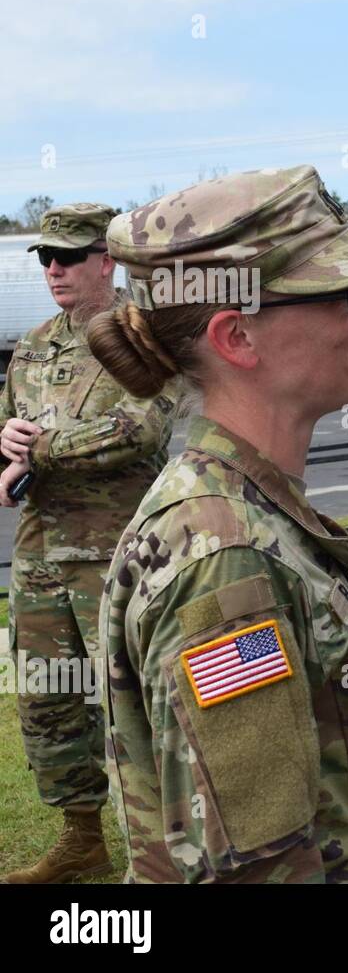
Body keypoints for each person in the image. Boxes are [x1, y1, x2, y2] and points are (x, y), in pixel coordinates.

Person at [85, 166, 348, 882]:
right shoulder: (225, 559)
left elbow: (280, 796)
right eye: (344, 294)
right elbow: (252, 868)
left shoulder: (250, 512)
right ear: (238, 338)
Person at [1, 204, 179, 885]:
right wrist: (8, 445)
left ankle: (163, 851)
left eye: (69, 257)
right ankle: (82, 840)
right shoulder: (34, 343)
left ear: (108, 260)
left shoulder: (142, 335)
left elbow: (142, 430)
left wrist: (41, 450)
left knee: (132, 705)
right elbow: (7, 426)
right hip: (41, 554)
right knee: (47, 705)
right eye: (46, 257)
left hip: (119, 554)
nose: (53, 269)